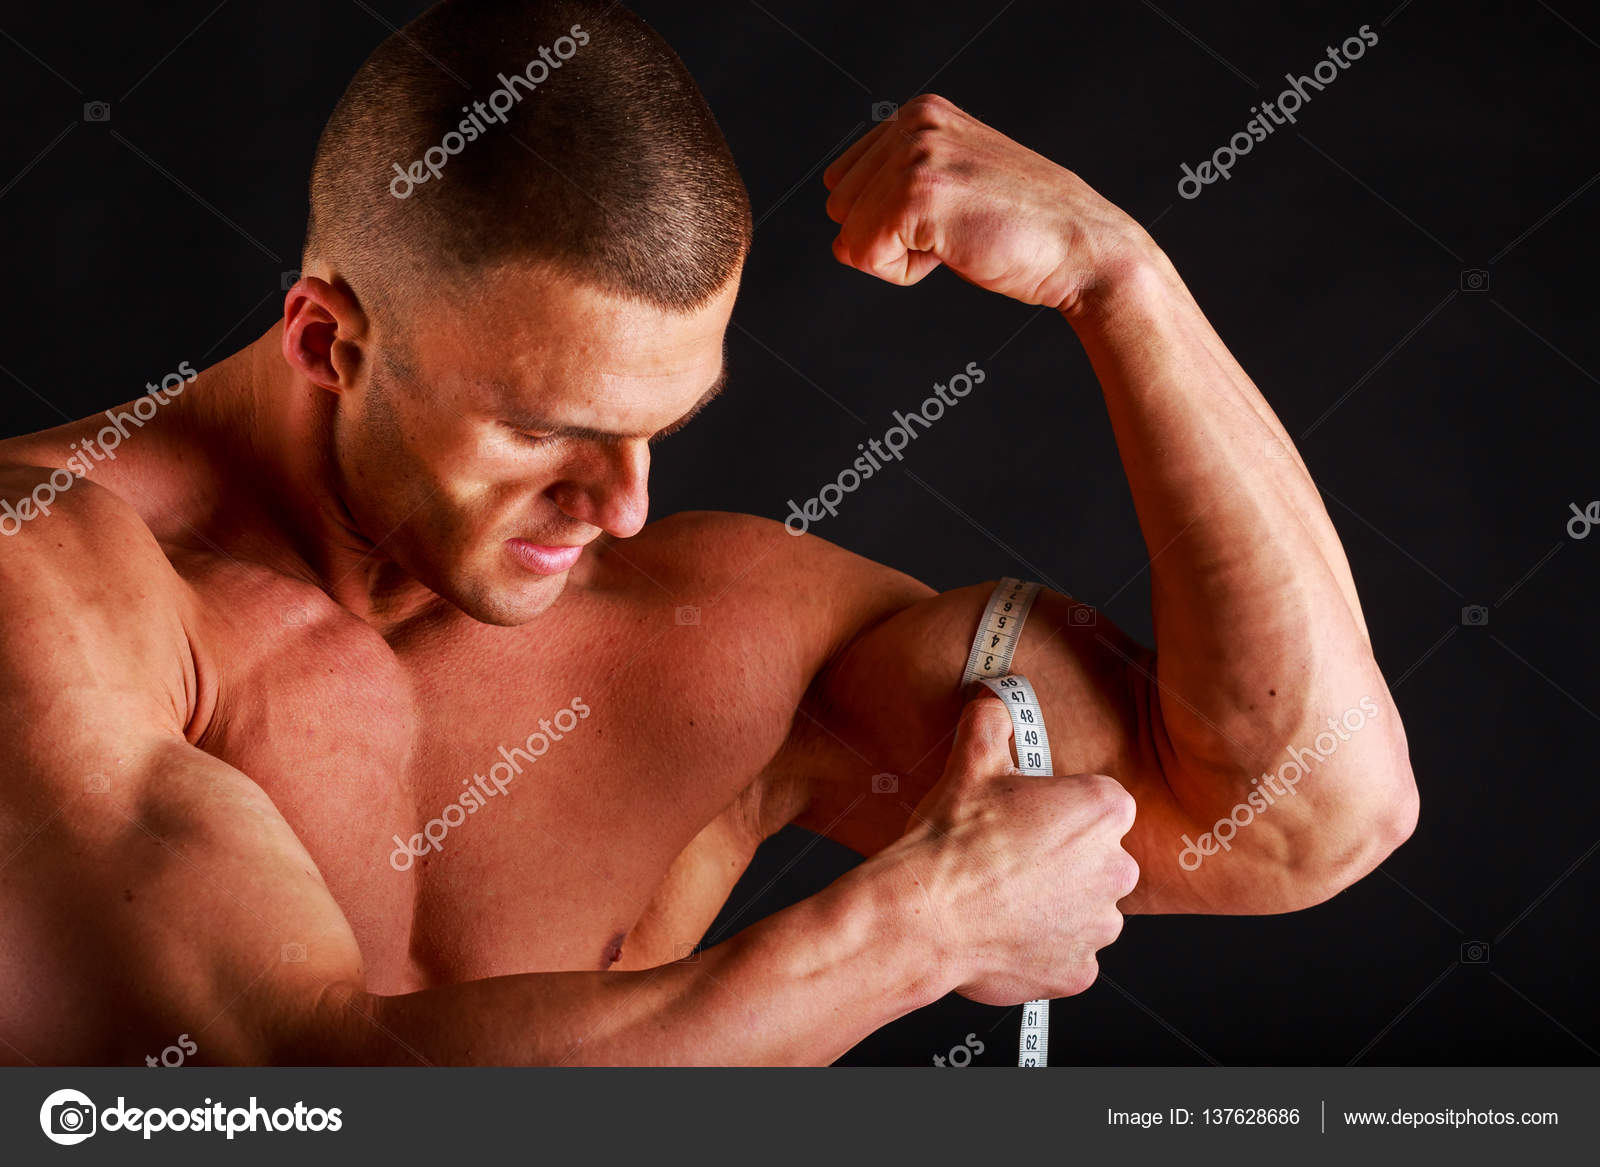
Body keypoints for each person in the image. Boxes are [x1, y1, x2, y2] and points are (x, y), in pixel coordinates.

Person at [0, 0, 1415, 1065]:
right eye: (545, 428)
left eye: (659, 428)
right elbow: (302, 1094)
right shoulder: (46, 574)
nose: (622, 506)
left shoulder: (720, 631)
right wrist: (913, 932)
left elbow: (1307, 818)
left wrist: (1126, 283)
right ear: (327, 339)